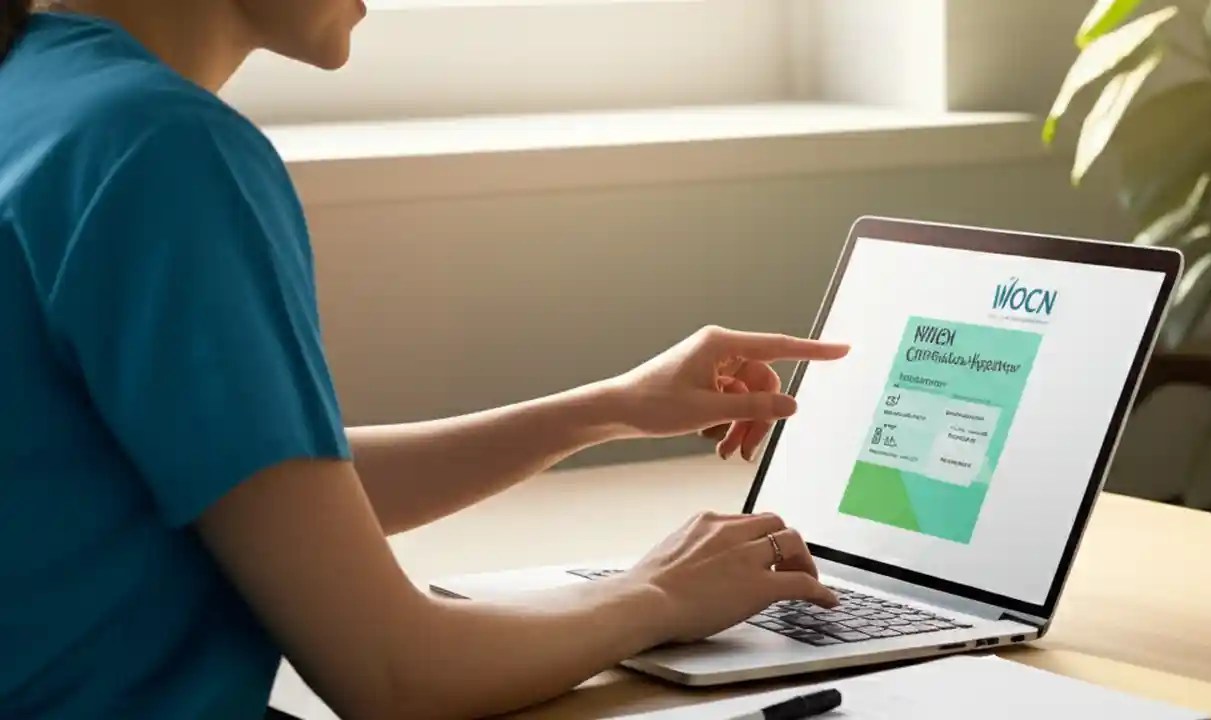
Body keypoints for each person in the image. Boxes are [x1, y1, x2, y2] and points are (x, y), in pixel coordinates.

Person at [0, 1, 851, 718]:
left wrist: (607, 409)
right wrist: (656, 596)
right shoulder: (161, 148)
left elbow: (267, 501)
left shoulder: (37, 93)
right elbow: (393, 672)